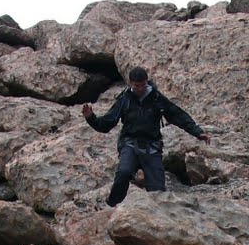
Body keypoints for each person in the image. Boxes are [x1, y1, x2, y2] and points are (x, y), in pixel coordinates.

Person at [80, 66, 211, 206]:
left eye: (143, 85)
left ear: (146, 82)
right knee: (124, 172)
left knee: (158, 191)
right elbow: (106, 124)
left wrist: (198, 132)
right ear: (130, 83)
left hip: (152, 147)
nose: (141, 89)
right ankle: (111, 205)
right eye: (137, 86)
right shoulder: (124, 99)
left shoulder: (156, 98)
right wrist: (91, 118)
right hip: (129, 144)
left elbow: (178, 115)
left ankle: (157, 217)